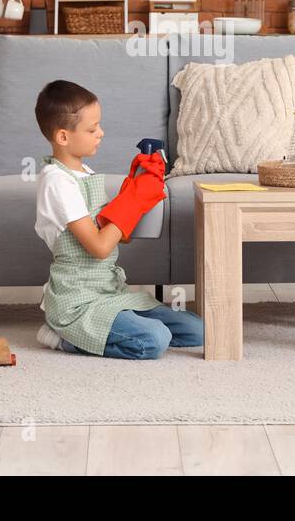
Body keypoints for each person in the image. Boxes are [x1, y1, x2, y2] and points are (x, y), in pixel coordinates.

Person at [32, 80, 204, 359]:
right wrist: (132, 199)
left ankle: (119, 325)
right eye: (92, 129)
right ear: (63, 137)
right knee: (154, 340)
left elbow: (117, 235)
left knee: (197, 331)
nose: (101, 133)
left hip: (109, 291)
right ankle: (60, 336)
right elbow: (99, 248)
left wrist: (136, 188)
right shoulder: (57, 181)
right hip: (78, 300)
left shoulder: (84, 172)